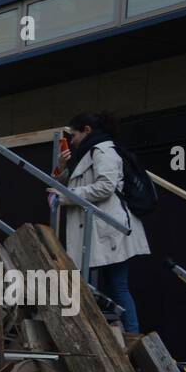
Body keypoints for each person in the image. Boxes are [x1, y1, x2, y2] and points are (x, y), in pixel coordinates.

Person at [48, 110, 150, 334]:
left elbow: (105, 187)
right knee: (110, 285)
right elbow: (64, 181)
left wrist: (66, 195)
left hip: (109, 229)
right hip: (101, 230)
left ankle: (132, 335)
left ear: (87, 130)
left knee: (116, 286)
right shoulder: (86, 154)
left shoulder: (103, 150)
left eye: (74, 135)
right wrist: (61, 166)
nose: (72, 140)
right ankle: (119, 332)